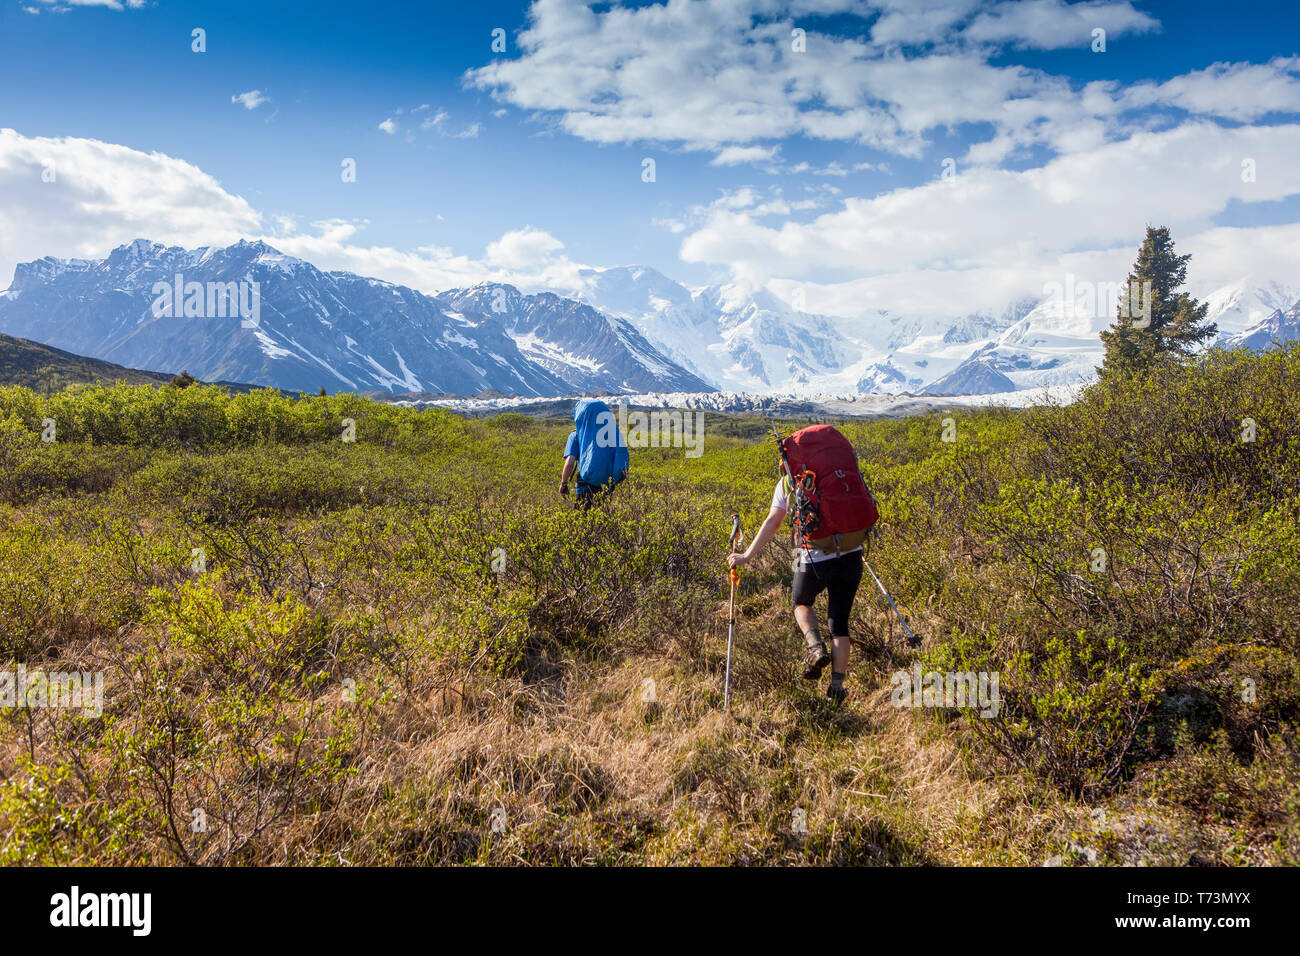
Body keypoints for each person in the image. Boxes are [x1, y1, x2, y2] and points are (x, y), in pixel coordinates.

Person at [727, 471, 865, 706]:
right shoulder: (840, 473)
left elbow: (774, 521)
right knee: (839, 623)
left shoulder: (789, 483)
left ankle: (815, 648)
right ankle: (836, 687)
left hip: (812, 556)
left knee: (801, 603)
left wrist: (747, 555)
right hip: (851, 553)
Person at [559, 398, 629, 509]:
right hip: (608, 482)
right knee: (602, 515)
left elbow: (570, 462)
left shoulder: (576, 435)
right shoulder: (612, 433)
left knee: (582, 517)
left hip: (586, 483)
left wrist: (563, 484)